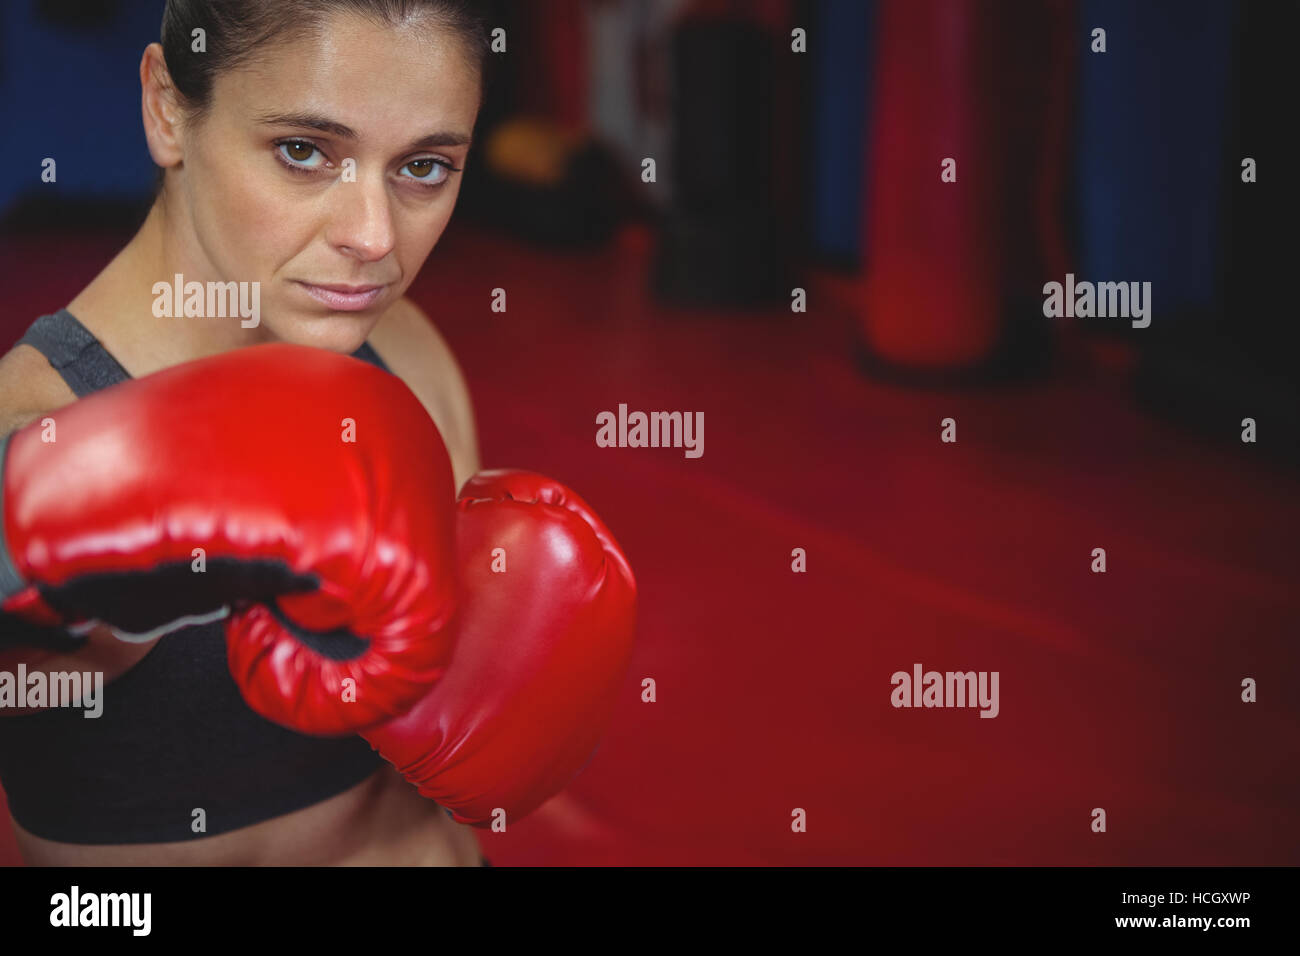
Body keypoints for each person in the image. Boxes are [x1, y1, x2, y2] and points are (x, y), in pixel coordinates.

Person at [0, 0, 633, 867]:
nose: (372, 238)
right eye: (304, 152)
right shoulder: (30, 433)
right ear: (166, 108)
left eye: (424, 167)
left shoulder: (403, 351)